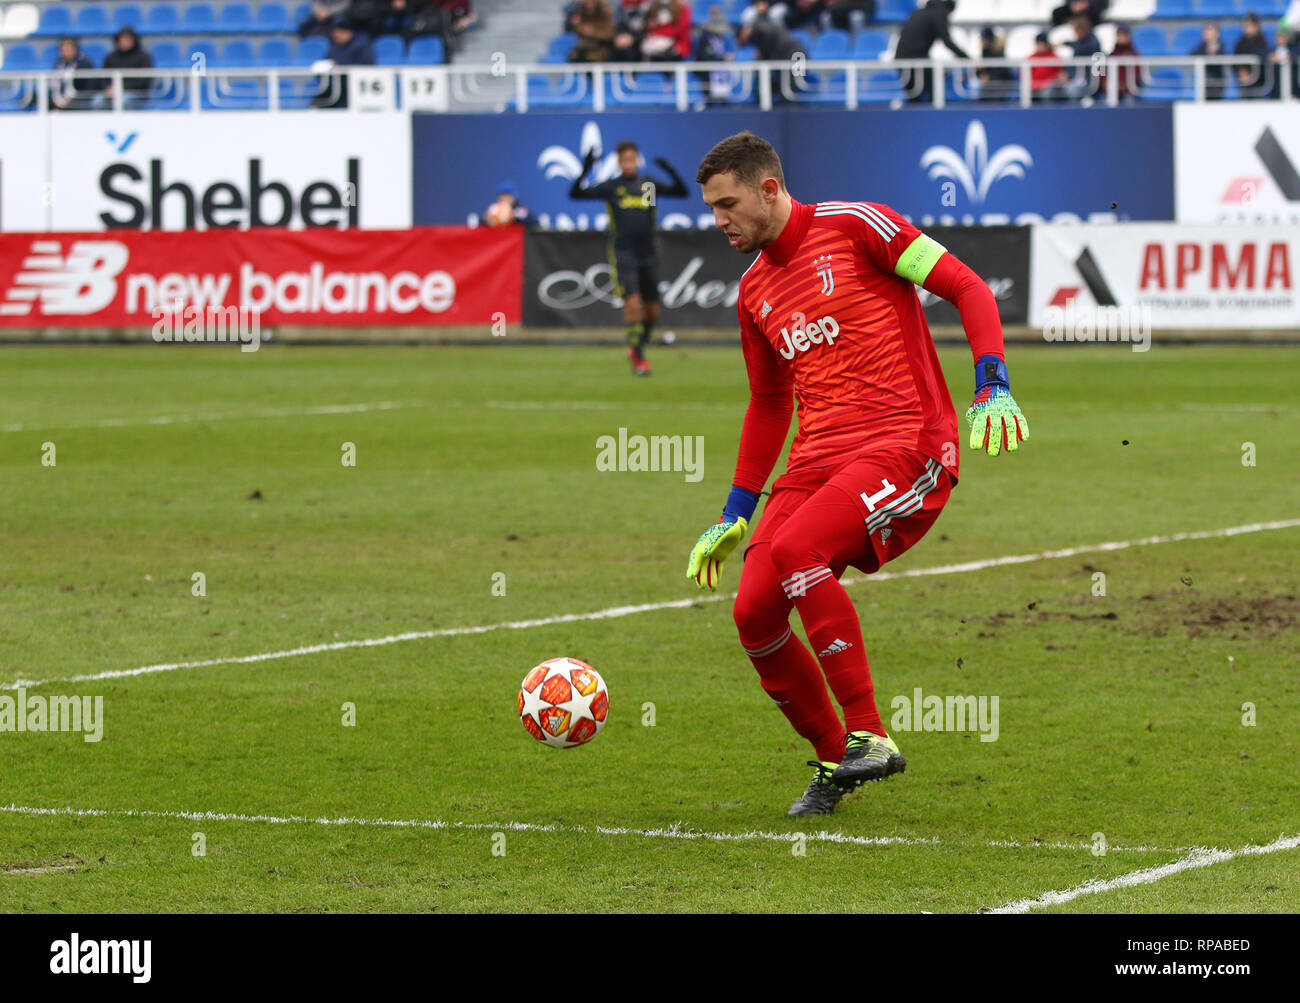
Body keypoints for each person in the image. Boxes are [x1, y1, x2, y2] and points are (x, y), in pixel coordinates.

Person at [689, 131, 1028, 816]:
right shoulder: (754, 290)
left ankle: (869, 731)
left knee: (796, 551)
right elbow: (768, 402)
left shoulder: (858, 226)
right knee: (753, 610)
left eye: (727, 204)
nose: (718, 219)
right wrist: (735, 509)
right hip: (814, 461)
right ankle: (834, 757)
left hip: (905, 443)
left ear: (770, 190)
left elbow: (965, 285)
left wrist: (992, 381)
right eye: (711, 208)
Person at [568, 140, 688, 375]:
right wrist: (586, 167)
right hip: (624, 252)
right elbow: (575, 194)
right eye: (623, 160)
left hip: (649, 252)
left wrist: (670, 169)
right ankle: (638, 355)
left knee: (652, 310)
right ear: (618, 162)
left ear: (637, 160)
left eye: (631, 159)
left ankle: (638, 344)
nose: (628, 164)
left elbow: (682, 192)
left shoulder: (648, 185)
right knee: (633, 303)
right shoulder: (612, 187)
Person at [895, 0, 967, 104]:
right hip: (916, 62)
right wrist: (967, 58)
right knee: (934, 94)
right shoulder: (938, 14)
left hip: (900, 60)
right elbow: (947, 41)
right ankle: (936, 116)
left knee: (916, 99)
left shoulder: (917, 12)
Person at [312, 18, 376, 107]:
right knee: (317, 102)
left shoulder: (362, 46)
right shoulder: (333, 47)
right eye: (334, 32)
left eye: (339, 32)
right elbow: (327, 62)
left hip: (355, 88)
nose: (335, 35)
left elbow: (367, 66)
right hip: (335, 86)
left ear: (348, 32)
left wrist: (341, 67)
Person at [98, 27, 153, 110]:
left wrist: (121, 88)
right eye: (122, 39)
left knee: (125, 101)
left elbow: (144, 81)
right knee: (98, 101)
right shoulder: (110, 57)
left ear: (134, 40)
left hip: (136, 94)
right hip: (112, 93)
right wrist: (108, 88)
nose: (124, 42)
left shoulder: (143, 57)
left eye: (127, 39)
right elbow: (104, 77)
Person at [50, 37, 97, 111]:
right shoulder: (58, 64)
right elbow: (55, 86)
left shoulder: (84, 64)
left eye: (68, 49)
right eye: (63, 50)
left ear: (75, 49)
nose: (66, 52)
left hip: (80, 101)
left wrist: (71, 100)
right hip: (59, 101)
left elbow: (88, 89)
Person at [1233, 12, 1271, 99]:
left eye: (1250, 25)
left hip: (1259, 82)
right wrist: (1241, 71)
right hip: (1244, 83)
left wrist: (1251, 73)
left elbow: (1262, 57)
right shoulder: (1240, 43)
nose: (1247, 28)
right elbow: (1235, 60)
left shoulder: (1262, 42)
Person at [1100, 22, 1140, 102]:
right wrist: (1104, 83)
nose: (1120, 38)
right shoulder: (1111, 54)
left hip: (1127, 92)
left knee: (1129, 101)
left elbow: (1137, 76)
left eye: (1123, 35)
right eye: (1118, 35)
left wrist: (1124, 86)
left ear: (1128, 37)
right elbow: (1102, 72)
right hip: (1110, 91)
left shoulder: (1134, 55)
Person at [974, 26, 1015, 101]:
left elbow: (1004, 72)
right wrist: (980, 72)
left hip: (999, 87)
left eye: (983, 38)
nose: (982, 41)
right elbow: (981, 72)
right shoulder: (985, 52)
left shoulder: (998, 52)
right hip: (988, 87)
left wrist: (989, 76)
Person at [1191, 22, 1228, 100]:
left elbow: (1221, 56)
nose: (1209, 36)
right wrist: (1206, 52)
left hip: (1217, 82)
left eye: (1211, 33)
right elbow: (1192, 54)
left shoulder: (1221, 46)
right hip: (1204, 82)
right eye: (1207, 33)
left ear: (1217, 34)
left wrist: (1214, 54)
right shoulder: (1201, 46)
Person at [1028, 31, 1065, 102]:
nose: (1040, 46)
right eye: (1038, 43)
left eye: (1042, 44)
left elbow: (1061, 74)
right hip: (1034, 87)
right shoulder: (1031, 57)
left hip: (1049, 87)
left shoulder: (1054, 57)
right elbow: (1025, 75)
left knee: (1049, 91)